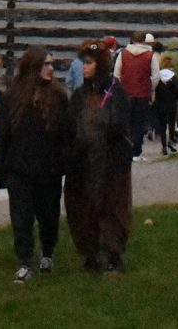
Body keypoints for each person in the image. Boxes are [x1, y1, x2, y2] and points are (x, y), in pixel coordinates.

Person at [0, 47, 70, 283]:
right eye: (45, 64)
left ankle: (48, 251)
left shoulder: (58, 96)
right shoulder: (12, 98)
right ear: (33, 68)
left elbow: (66, 134)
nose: (50, 69)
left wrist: (62, 163)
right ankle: (25, 261)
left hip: (48, 169)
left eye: (51, 64)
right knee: (21, 218)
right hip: (20, 169)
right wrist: (2, 172)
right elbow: (3, 137)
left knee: (48, 216)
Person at [66, 40, 135, 273]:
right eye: (83, 63)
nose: (84, 68)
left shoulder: (116, 92)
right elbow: (70, 125)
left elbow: (120, 125)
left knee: (112, 207)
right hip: (84, 162)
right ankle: (91, 253)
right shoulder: (79, 95)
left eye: (88, 63)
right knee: (86, 207)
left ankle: (114, 254)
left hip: (111, 161)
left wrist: (99, 121)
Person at [119, 35, 157, 159]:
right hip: (142, 94)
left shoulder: (123, 54)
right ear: (144, 41)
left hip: (126, 94)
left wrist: (122, 87)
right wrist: (149, 87)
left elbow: (116, 74)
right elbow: (156, 76)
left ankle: (126, 149)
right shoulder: (151, 56)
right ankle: (137, 151)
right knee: (139, 123)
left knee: (127, 122)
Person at [154, 65, 178, 155]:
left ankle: (163, 146)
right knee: (171, 124)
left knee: (162, 126)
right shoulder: (173, 78)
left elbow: (153, 89)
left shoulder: (158, 78)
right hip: (172, 105)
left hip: (161, 105)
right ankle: (170, 141)